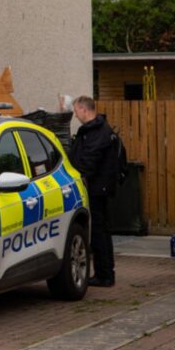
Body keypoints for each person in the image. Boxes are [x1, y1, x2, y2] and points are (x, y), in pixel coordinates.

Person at [67, 95, 124, 287]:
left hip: (96, 189)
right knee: (101, 231)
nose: (76, 115)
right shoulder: (97, 130)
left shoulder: (96, 132)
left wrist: (77, 176)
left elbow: (89, 161)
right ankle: (105, 273)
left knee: (99, 231)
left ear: (84, 109)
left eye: (76, 111)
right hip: (99, 187)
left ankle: (105, 275)